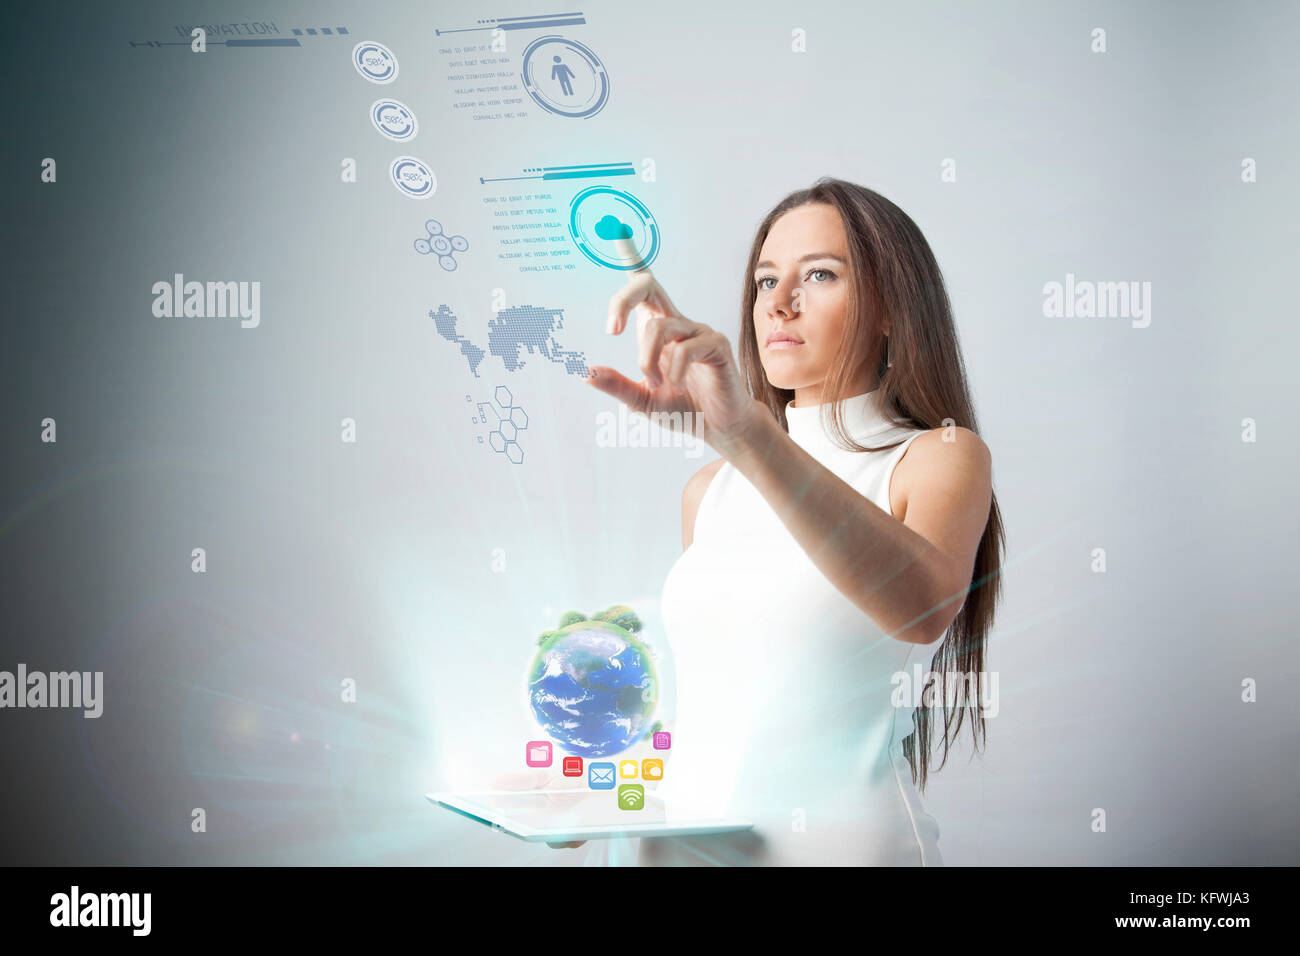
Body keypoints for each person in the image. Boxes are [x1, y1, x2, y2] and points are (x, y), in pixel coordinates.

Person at [570, 176, 1004, 865]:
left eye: (821, 274)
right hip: (684, 851)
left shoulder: (938, 457)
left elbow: (921, 609)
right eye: (765, 279)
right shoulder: (709, 488)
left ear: (893, 309)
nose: (779, 303)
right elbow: (722, 715)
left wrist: (746, 433)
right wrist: (594, 788)